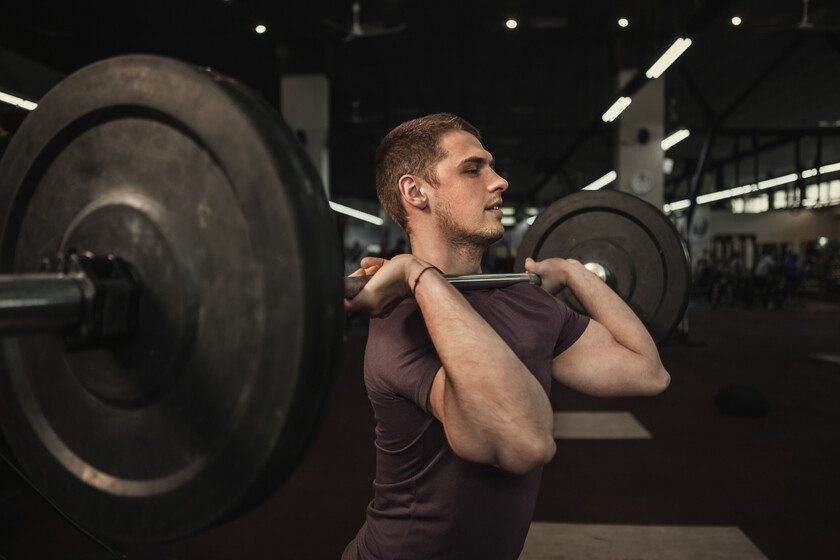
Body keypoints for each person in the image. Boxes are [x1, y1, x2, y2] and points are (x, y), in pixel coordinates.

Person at [342, 113, 669, 559]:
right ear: (415, 192)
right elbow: (523, 442)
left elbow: (647, 372)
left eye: (492, 167)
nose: (499, 181)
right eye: (472, 169)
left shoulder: (528, 302)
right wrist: (416, 274)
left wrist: (575, 273)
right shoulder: (401, 319)